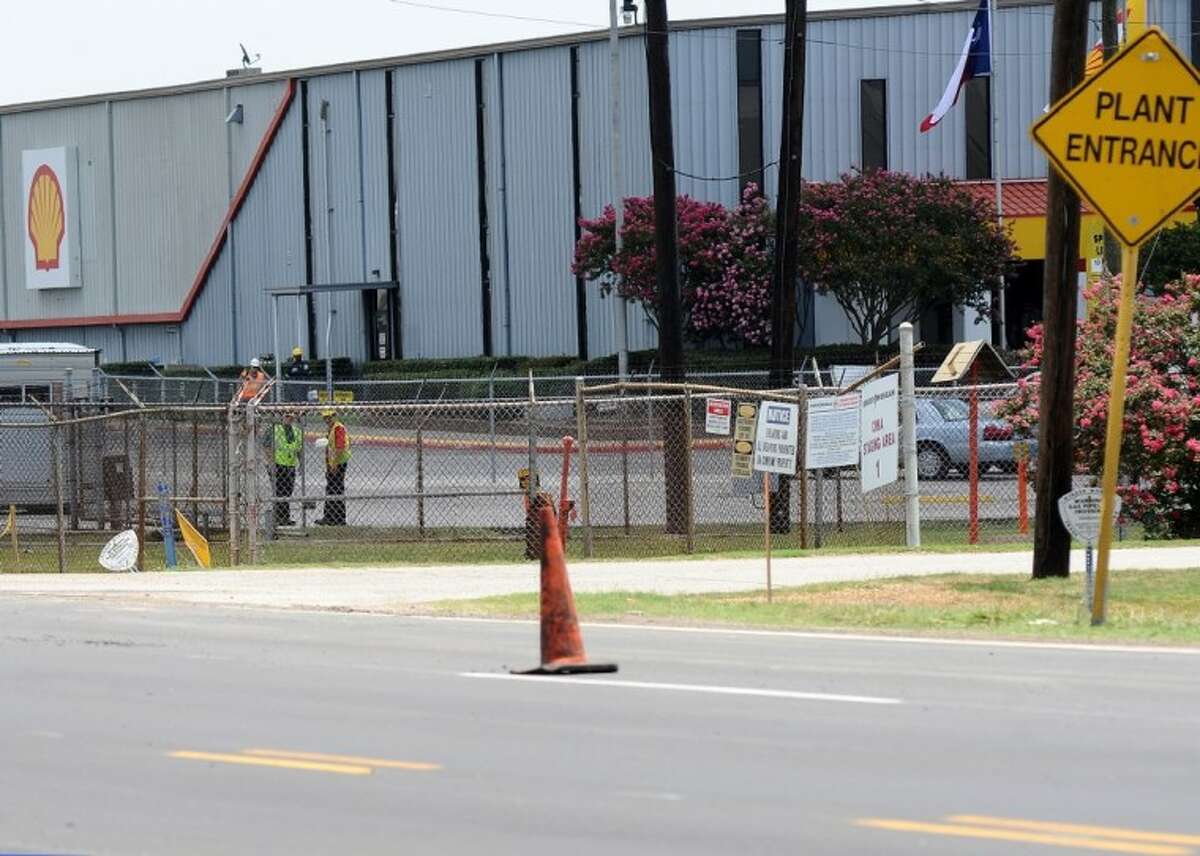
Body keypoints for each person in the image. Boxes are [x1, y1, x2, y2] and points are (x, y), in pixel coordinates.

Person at [315, 409, 351, 526]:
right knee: (332, 489)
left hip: (338, 463)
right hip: (333, 463)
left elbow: (340, 448)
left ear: (335, 416)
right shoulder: (332, 428)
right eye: (325, 418)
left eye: (329, 417)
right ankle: (331, 517)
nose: (327, 420)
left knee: (335, 489)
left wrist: (334, 464)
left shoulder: (338, 428)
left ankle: (337, 518)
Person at [272, 411, 302, 525]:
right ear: (282, 418)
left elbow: (298, 449)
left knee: (288, 492)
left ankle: (285, 517)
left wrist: (300, 464)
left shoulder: (297, 431)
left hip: (291, 464)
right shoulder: (276, 430)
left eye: (291, 416)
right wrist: (270, 464)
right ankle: (279, 517)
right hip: (278, 464)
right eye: (287, 416)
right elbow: (267, 446)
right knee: (280, 492)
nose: (289, 418)